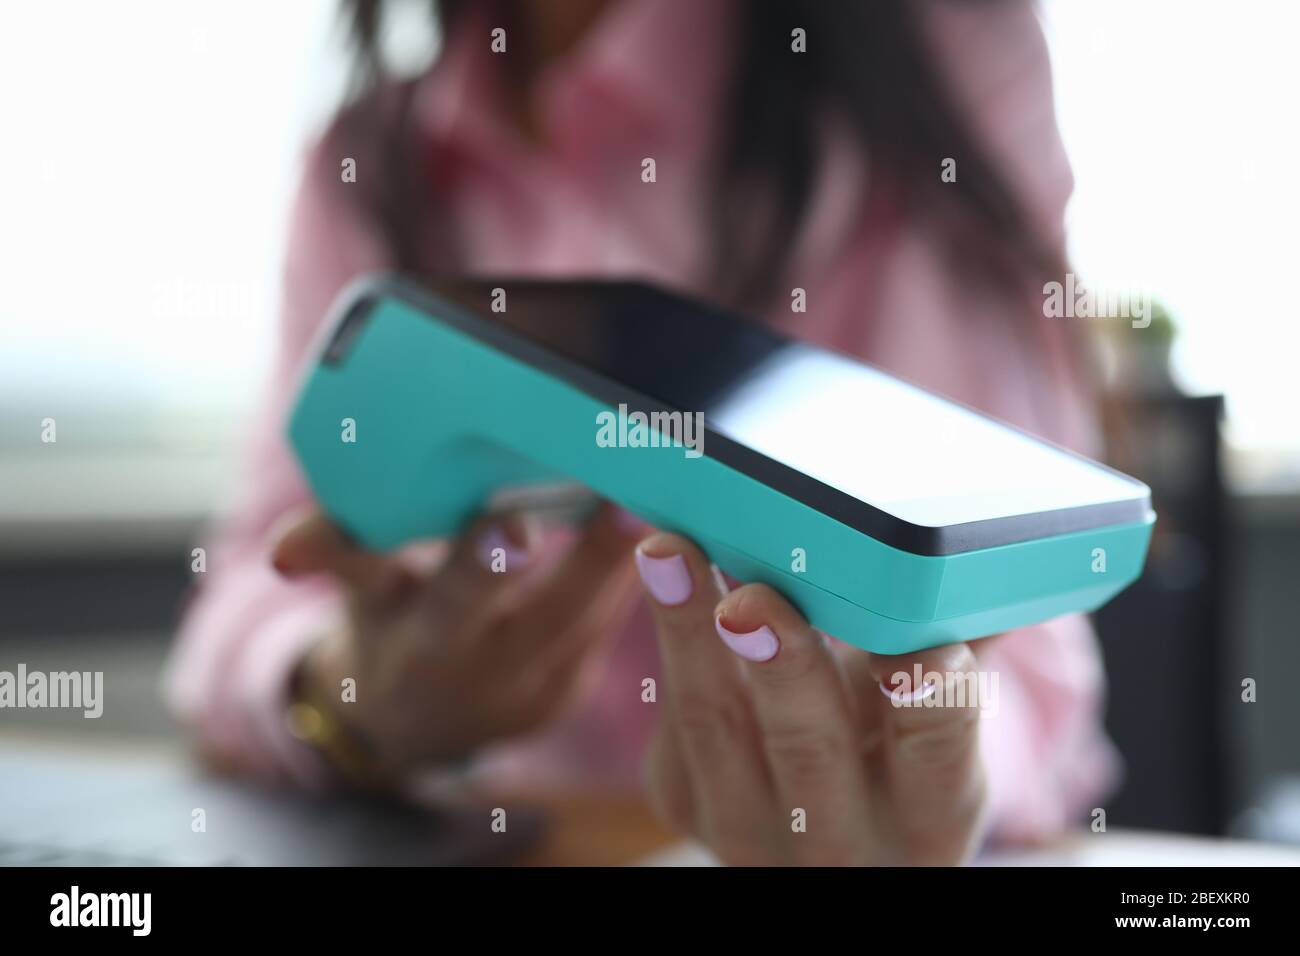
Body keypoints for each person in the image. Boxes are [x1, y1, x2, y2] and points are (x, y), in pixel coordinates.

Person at [167, 0, 1117, 865]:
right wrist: (349, 700)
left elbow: (1023, 664)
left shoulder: (942, 52)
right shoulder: (372, 158)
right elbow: (252, 589)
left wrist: (912, 774)